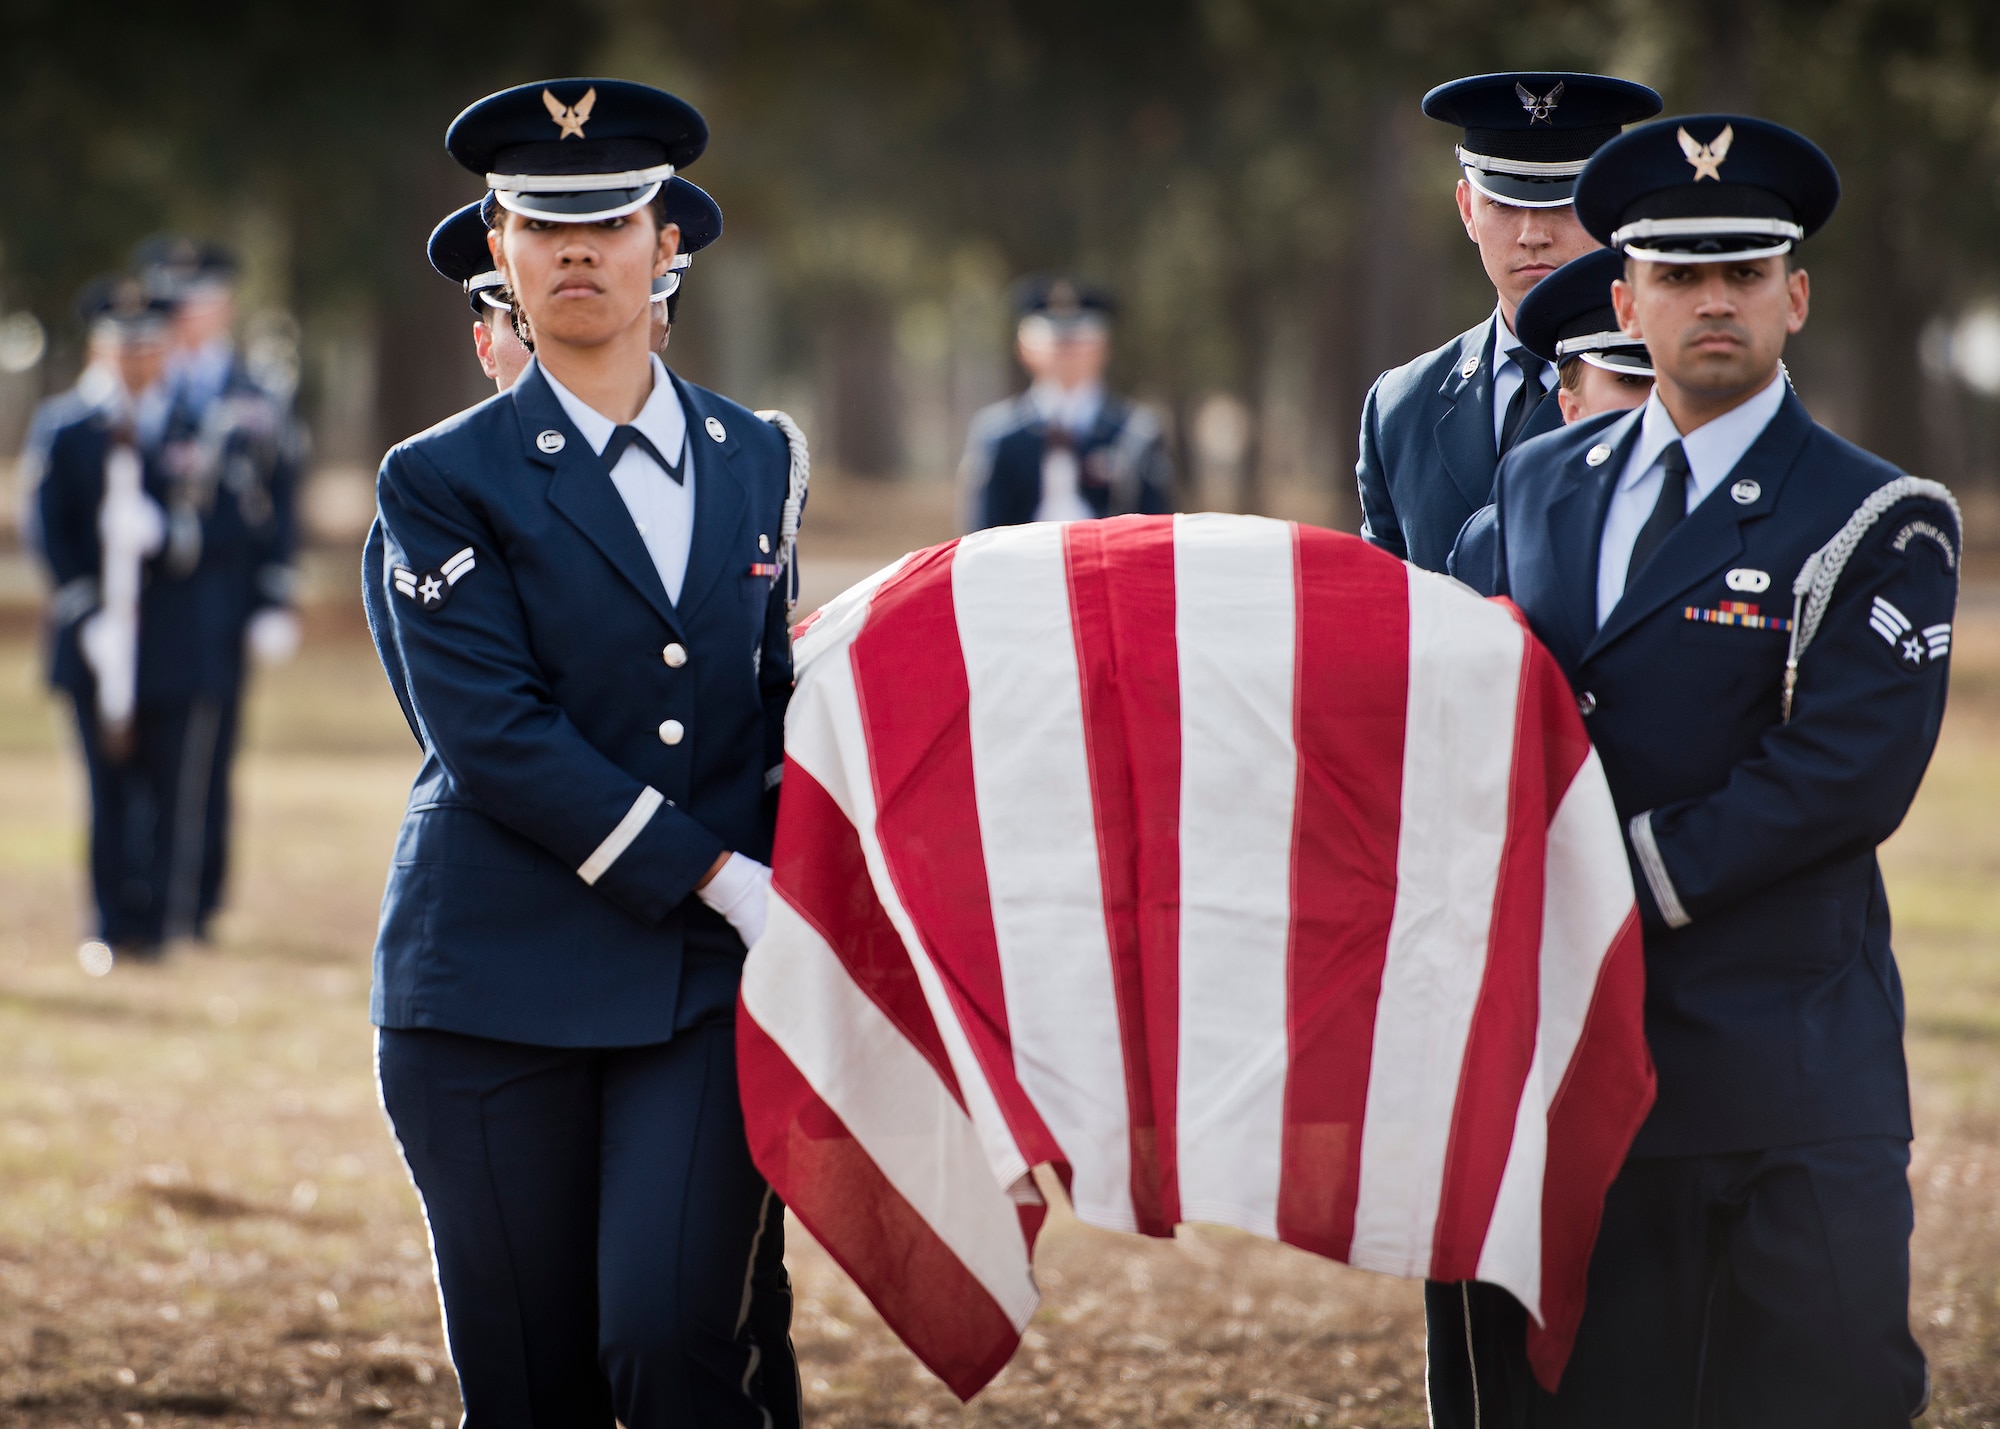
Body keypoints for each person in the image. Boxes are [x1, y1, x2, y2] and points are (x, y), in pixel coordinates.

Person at [1482, 114, 1948, 1426]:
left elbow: (1840, 779)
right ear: (1623, 297)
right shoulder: (1537, 487)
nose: (1713, 303)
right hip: (1581, 1062)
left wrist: (1601, 877)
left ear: (1795, 297)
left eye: (1744, 273)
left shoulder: (1878, 514)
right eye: (1680, 276)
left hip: (1785, 1077)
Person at [366, 77, 806, 1428]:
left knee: (672, 1342)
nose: (574, 248)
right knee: (532, 1385)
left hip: (695, 990)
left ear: (665, 240)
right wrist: (727, 874)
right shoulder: (439, 477)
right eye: (538, 222)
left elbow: (773, 691)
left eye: (607, 218)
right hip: (493, 981)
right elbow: (494, 736)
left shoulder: (758, 457)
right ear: (496, 247)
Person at [1355, 72, 1661, 574]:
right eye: (1502, 200)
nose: (1532, 233)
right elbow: (1384, 616)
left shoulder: (1669, 385)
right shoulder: (1401, 406)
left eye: (1564, 200)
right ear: (1467, 210)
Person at [35, 278, 240, 964]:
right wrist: (85, 607)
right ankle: (107, 921)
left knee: (172, 788)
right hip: (95, 643)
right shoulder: (66, 428)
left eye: (148, 347)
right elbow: (48, 528)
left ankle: (159, 923)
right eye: (122, 347)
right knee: (106, 791)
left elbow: (228, 527)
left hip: (176, 644)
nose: (136, 360)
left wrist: (170, 535)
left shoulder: (194, 426)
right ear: (100, 349)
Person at [131, 236, 304, 942]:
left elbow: (282, 498)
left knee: (213, 748)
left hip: (226, 596)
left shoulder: (257, 397)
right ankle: (144, 888)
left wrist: (274, 595)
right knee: (142, 745)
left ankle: (199, 900)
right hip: (148, 598)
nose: (184, 318)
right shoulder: (141, 387)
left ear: (225, 306)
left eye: (196, 301)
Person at [1448, 247, 1652, 592]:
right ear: (1571, 409)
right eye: (1631, 380)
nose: (1661, 401)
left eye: (1679, 381)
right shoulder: (1495, 542)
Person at [959, 274, 1172, 530]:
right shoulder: (998, 435)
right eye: (1055, 339)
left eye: (1079, 338)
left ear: (1105, 347)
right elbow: (979, 534)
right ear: (1023, 349)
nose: (1067, 348)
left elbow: (1156, 531)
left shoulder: (1137, 432)